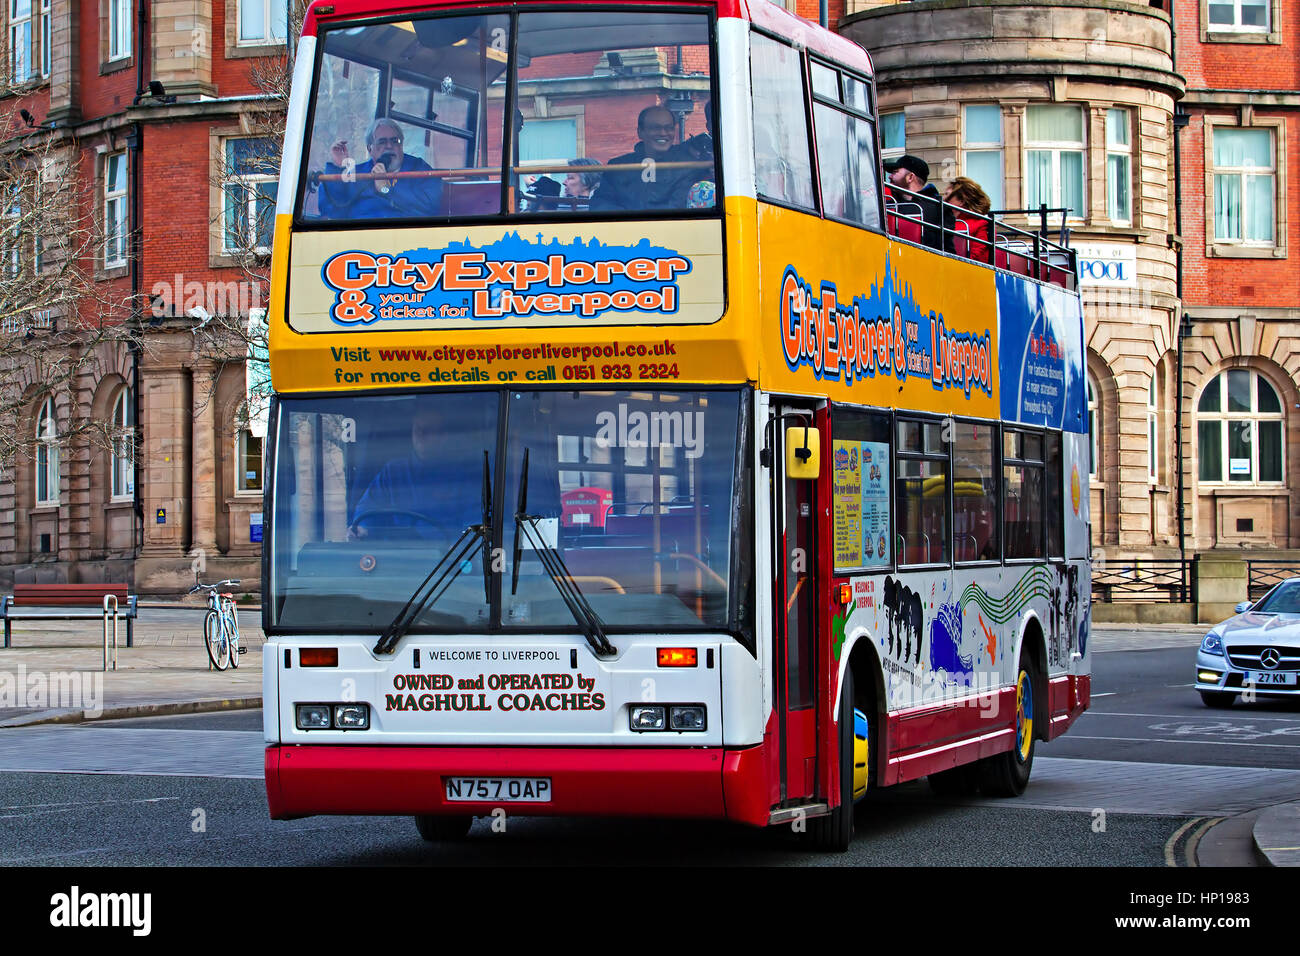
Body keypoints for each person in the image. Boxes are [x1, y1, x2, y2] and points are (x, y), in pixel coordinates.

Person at [350, 407, 486, 540]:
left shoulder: (460, 478)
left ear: (443, 436)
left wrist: (460, 546)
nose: (420, 435)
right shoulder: (392, 472)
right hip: (398, 555)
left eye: (427, 430)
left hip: (447, 557)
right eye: (417, 429)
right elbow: (368, 508)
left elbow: (474, 523)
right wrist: (363, 527)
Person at [317, 118, 442, 220]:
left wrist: (386, 189)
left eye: (395, 141)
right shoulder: (359, 173)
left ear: (402, 145)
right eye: (382, 142)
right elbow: (332, 210)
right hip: (360, 239)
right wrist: (339, 167)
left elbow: (430, 206)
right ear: (369, 149)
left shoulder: (419, 168)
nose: (389, 146)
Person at [589, 105, 698, 211]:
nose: (663, 133)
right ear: (640, 132)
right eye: (655, 128)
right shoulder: (618, 166)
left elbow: (678, 206)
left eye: (669, 128)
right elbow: (601, 203)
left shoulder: (687, 165)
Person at [884, 154, 942, 250]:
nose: (890, 176)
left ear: (910, 177)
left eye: (895, 172)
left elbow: (945, 248)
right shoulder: (888, 204)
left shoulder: (937, 208)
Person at [943, 176, 993, 263]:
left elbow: (976, 256)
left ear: (961, 201)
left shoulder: (982, 224)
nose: (943, 199)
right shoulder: (943, 220)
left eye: (947, 195)